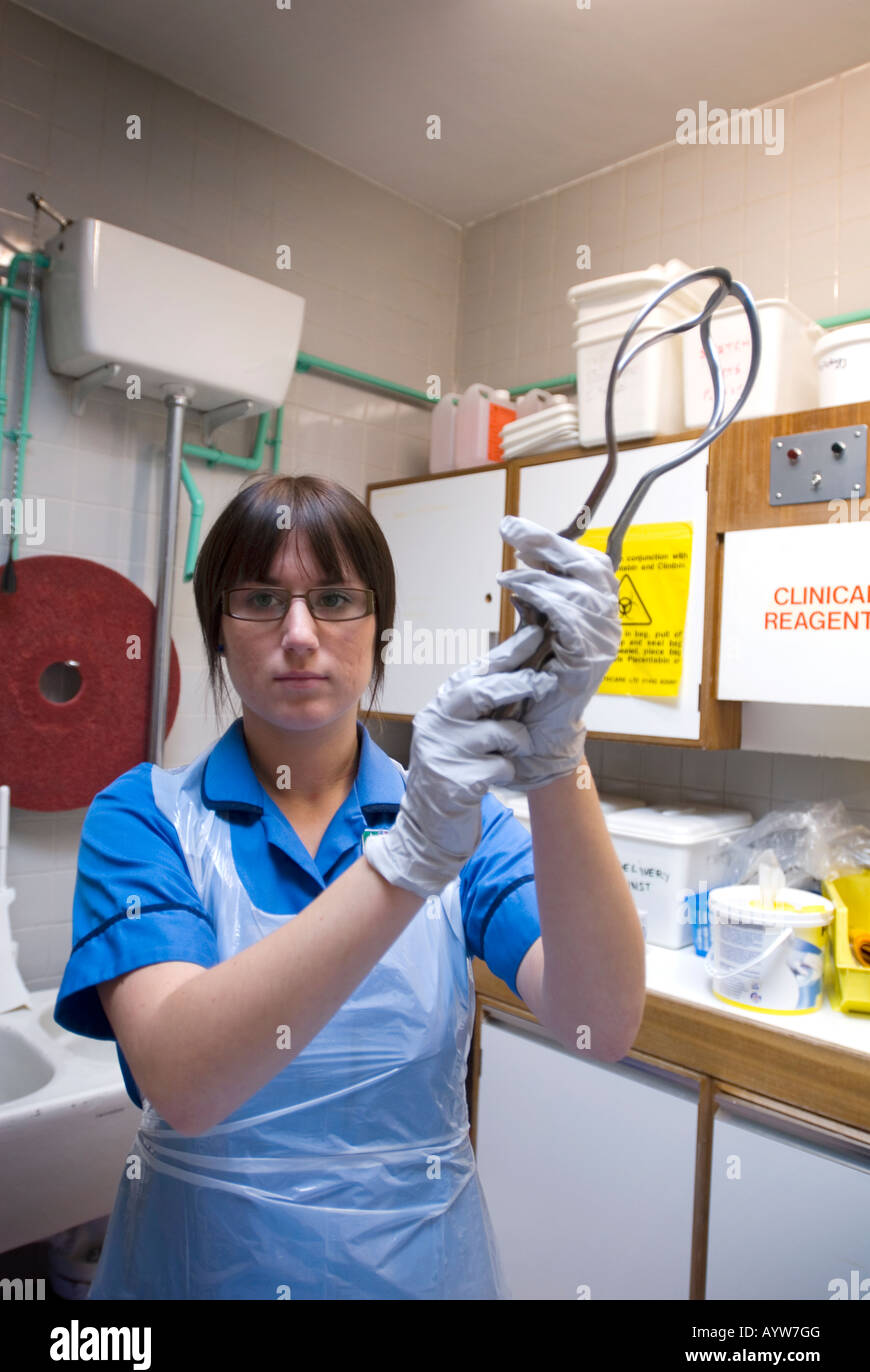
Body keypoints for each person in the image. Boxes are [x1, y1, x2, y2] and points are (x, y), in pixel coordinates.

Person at [54, 472, 645, 1301]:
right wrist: (405, 860)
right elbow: (183, 1085)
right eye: (261, 599)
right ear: (219, 633)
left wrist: (557, 758)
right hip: (197, 1272)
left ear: (380, 628)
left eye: (335, 599)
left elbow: (599, 1024)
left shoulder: (455, 814)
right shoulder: (143, 817)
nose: (300, 634)